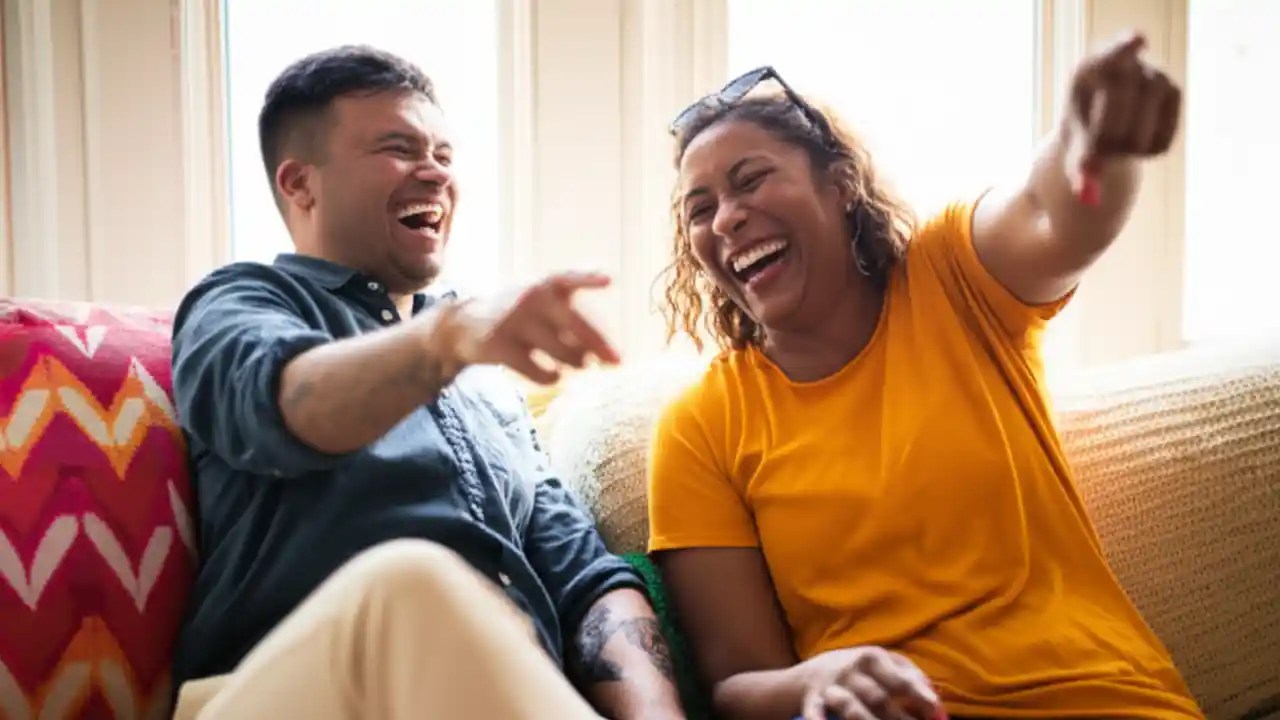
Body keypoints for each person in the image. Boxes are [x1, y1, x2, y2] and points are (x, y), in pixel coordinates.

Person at [647, 32, 1205, 720]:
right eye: (699, 210)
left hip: (1106, 702)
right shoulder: (700, 428)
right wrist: (817, 680)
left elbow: (1054, 213)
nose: (726, 218)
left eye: (751, 179)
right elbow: (738, 682)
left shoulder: (952, 281)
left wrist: (1090, 145)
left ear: (841, 183)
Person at [169, 45, 684, 720]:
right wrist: (447, 340)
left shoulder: (486, 384)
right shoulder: (241, 302)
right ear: (300, 184)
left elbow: (584, 579)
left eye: (444, 153)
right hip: (296, 695)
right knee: (410, 581)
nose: (435, 173)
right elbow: (287, 402)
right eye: (399, 148)